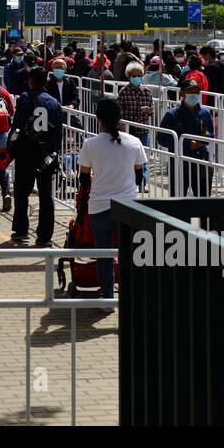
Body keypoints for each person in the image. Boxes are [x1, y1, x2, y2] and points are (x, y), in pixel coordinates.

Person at [77, 97, 146, 301]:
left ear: (98, 119)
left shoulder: (90, 144)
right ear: (120, 116)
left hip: (99, 206)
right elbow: (139, 174)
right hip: (128, 205)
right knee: (128, 254)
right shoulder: (134, 142)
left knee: (104, 256)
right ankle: (129, 297)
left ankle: (107, 298)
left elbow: (83, 177)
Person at [9, 67, 64, 247]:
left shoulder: (26, 98)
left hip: (26, 151)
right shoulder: (54, 102)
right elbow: (58, 132)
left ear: (31, 80)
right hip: (46, 153)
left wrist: (12, 147)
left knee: (22, 191)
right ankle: (44, 235)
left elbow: (17, 126)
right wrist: (55, 152)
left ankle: (21, 230)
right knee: (46, 195)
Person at [158, 78, 215, 198]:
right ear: (182, 93)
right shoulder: (172, 114)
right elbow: (162, 138)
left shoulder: (205, 112)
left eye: (197, 92)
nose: (194, 95)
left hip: (202, 163)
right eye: (191, 91)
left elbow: (211, 133)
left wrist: (205, 138)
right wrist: (186, 144)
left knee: (204, 200)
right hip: (180, 165)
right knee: (178, 202)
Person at [116, 62, 155, 145]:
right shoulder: (123, 91)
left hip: (143, 130)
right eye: (133, 76)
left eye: (139, 75)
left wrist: (148, 110)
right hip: (127, 130)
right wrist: (120, 125)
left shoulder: (147, 92)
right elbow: (117, 111)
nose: (136, 77)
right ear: (129, 76)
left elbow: (152, 110)